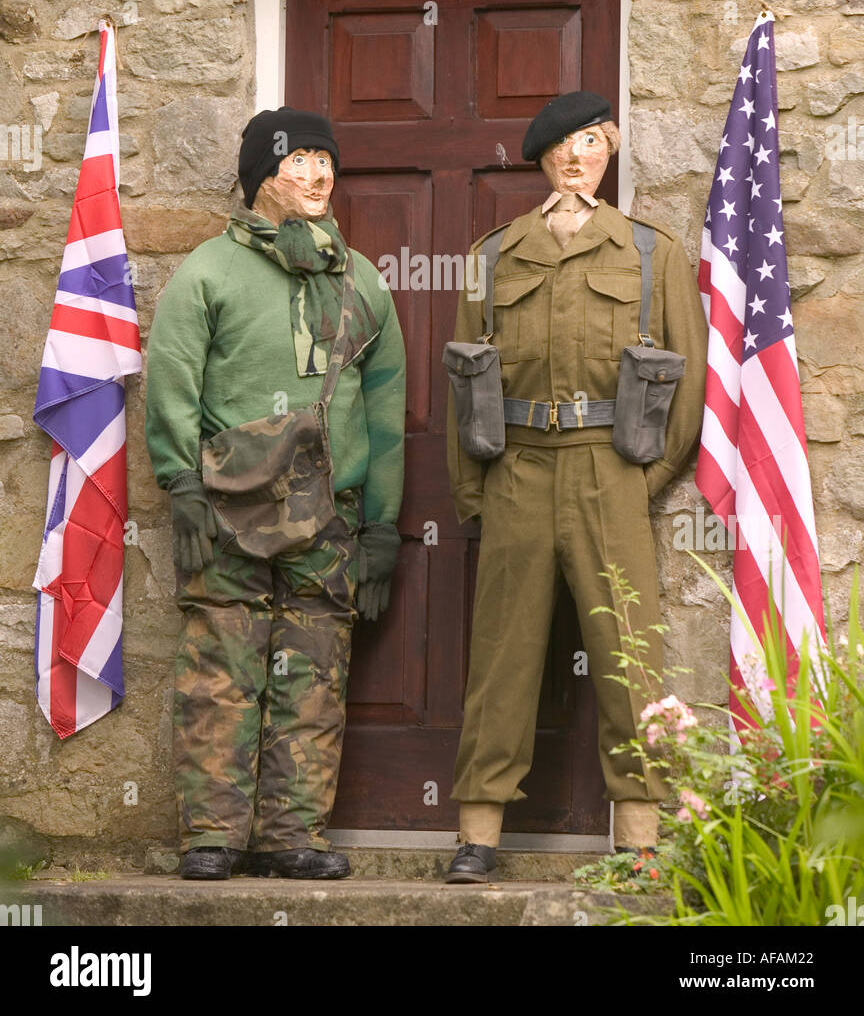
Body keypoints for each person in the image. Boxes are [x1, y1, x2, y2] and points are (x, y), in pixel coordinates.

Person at [444, 91, 708, 882]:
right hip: (517, 469)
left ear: (610, 152)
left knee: (630, 658)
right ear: (542, 160)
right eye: (563, 146)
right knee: (501, 660)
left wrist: (641, 482)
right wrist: (475, 496)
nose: (577, 158)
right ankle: (476, 839)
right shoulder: (494, 255)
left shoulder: (652, 254)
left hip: (609, 470)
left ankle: (639, 845)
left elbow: (686, 386)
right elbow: (465, 381)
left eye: (592, 143)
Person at [145, 108, 406, 881]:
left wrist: (384, 526)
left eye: (328, 160)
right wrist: (181, 483)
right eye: (303, 162)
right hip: (226, 513)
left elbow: (388, 409)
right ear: (264, 175)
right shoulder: (206, 272)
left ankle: (294, 837)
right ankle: (213, 838)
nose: (321, 174)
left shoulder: (361, 280)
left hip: (330, 520)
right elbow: (171, 381)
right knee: (221, 675)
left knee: (313, 678)